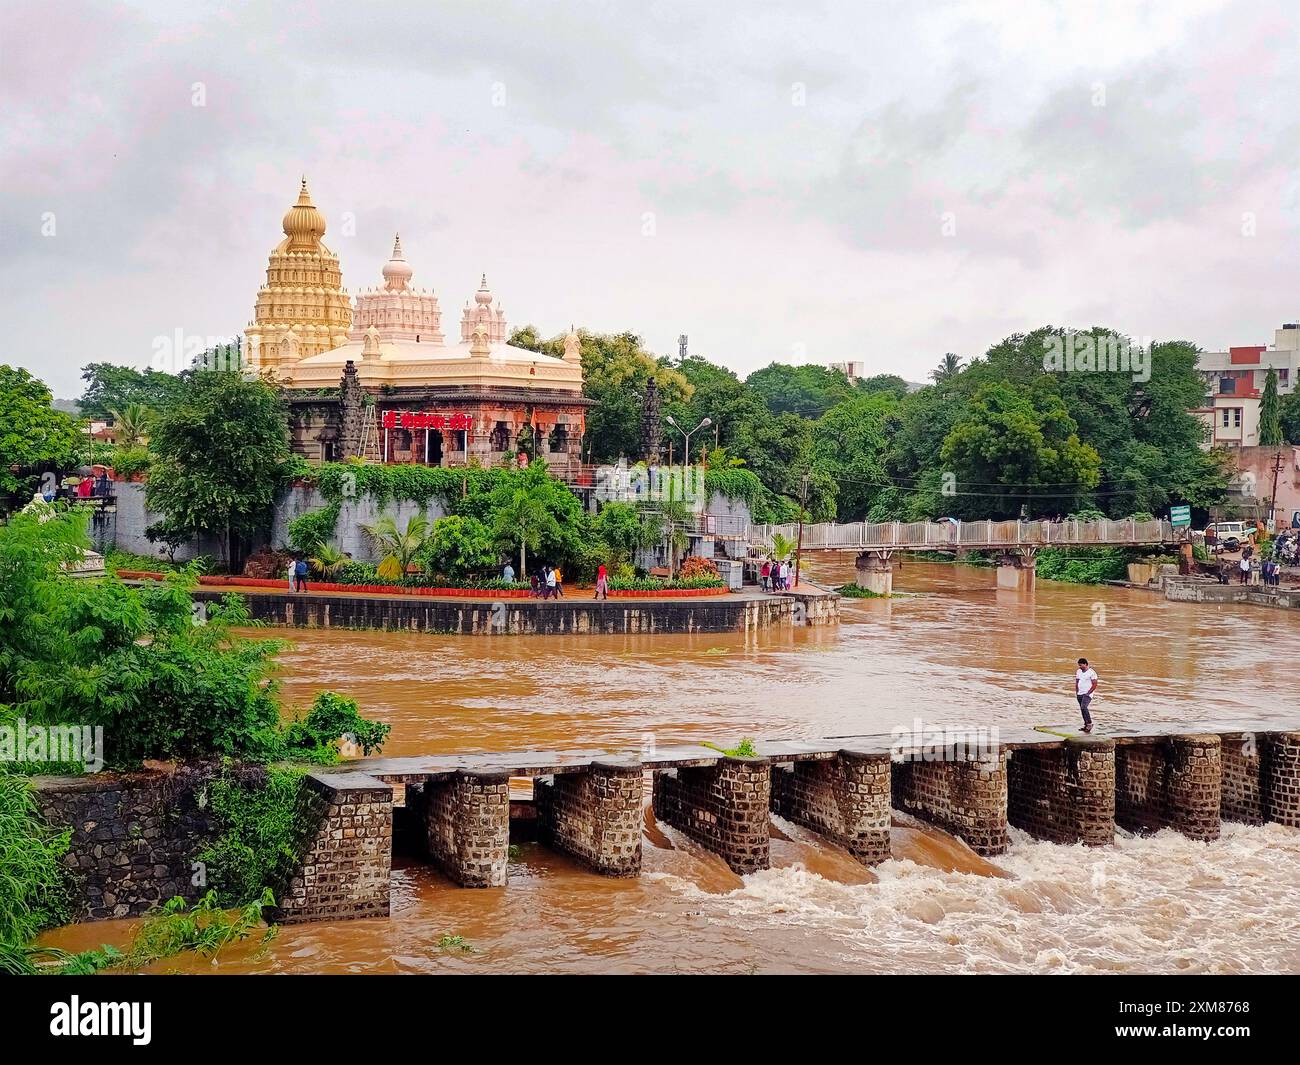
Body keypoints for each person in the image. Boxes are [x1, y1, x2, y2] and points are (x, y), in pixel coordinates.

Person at [1074, 657, 1099, 734]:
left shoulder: (1092, 672)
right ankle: (1086, 725)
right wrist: (1077, 691)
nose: (1080, 667)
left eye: (1081, 665)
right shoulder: (1078, 671)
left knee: (1084, 707)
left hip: (1087, 694)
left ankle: (1089, 723)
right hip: (1080, 693)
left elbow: (1095, 684)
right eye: (1079, 665)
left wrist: (1088, 693)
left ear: (1085, 664)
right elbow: (1077, 681)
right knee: (1082, 709)